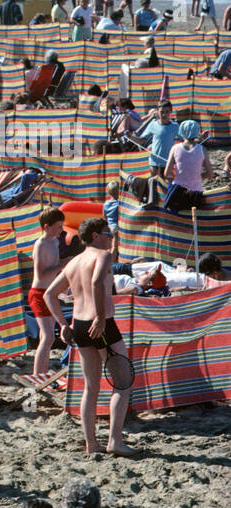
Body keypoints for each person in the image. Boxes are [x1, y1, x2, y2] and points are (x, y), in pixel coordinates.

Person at [44, 218, 134, 456]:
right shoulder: (102, 256)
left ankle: (91, 444)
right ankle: (115, 440)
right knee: (123, 383)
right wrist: (101, 317)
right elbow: (95, 281)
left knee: (90, 387)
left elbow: (49, 295)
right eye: (108, 234)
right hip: (100, 324)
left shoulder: (74, 262)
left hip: (80, 325)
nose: (111, 238)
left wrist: (62, 324)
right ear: (95, 236)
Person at [29, 208, 67, 374]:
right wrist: (63, 264)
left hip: (50, 292)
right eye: (58, 227)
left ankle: (42, 373)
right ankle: (38, 374)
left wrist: (64, 287)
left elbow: (55, 272)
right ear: (46, 227)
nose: (61, 230)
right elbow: (41, 274)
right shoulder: (41, 244)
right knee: (47, 337)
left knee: (50, 337)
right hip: (38, 293)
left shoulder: (55, 242)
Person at [162, 120, 212, 213]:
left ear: (181, 132)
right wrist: (197, 176)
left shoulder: (175, 148)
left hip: (177, 193)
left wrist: (177, 176)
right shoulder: (203, 150)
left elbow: (166, 173)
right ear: (197, 132)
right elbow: (210, 174)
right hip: (196, 194)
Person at [137, 101, 179, 178]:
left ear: (171, 112)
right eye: (162, 112)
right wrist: (130, 137)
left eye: (167, 112)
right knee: (154, 184)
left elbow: (187, 139)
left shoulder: (175, 126)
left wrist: (200, 138)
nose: (164, 114)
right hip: (154, 162)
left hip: (168, 162)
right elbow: (142, 140)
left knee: (166, 186)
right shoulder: (153, 125)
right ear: (157, 112)